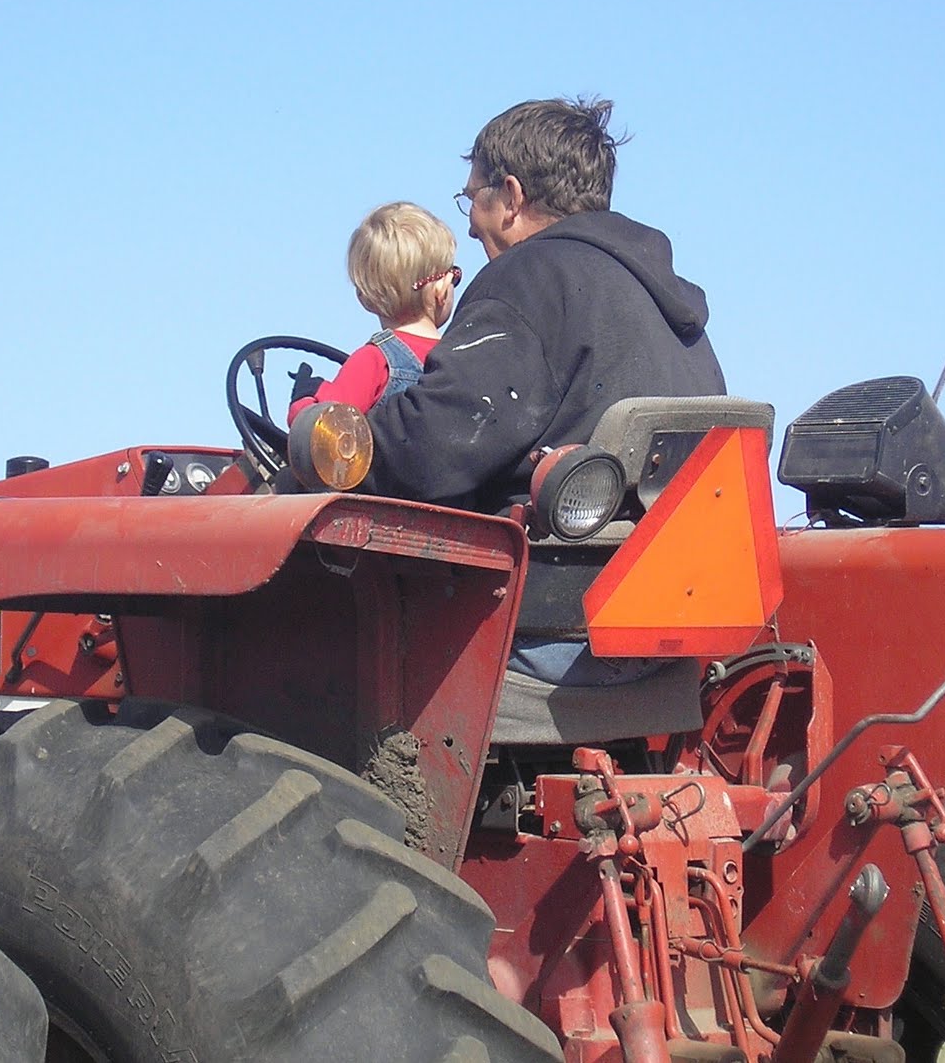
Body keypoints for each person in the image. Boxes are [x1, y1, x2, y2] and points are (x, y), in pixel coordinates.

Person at [360, 97, 728, 705]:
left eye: (473, 199)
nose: (472, 226)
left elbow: (428, 451)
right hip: (664, 636)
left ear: (509, 196)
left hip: (552, 637)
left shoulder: (527, 281)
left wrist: (341, 444)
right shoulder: (675, 312)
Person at [287, 202, 460, 424]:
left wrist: (304, 400)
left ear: (365, 300)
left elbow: (326, 429)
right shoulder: (464, 357)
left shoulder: (373, 362)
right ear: (442, 289)